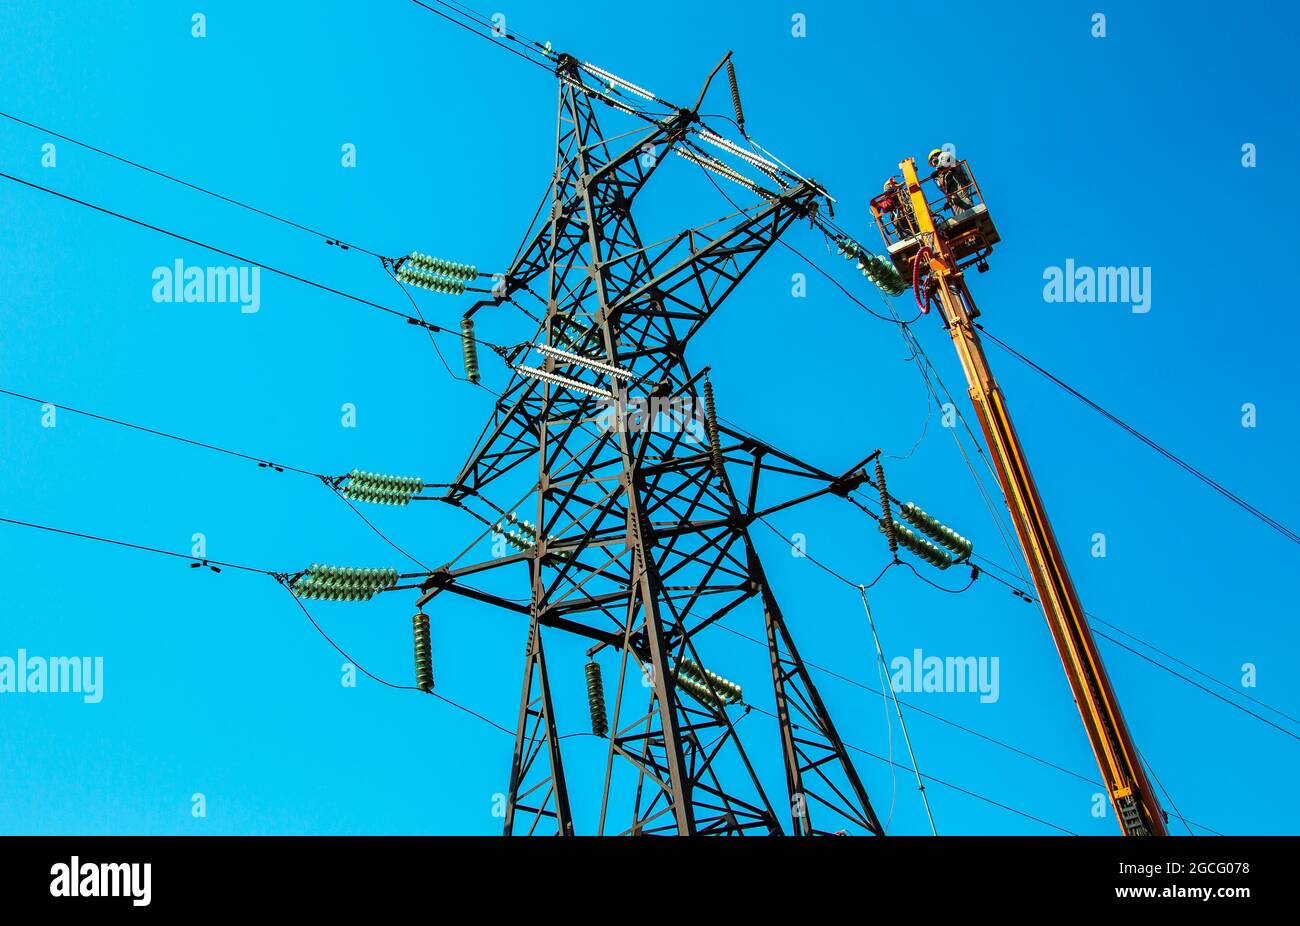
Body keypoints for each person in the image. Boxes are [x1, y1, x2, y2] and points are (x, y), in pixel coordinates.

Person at [928, 148, 974, 213]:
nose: (933, 163)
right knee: (961, 217)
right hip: (954, 200)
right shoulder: (939, 176)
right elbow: (946, 190)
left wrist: (938, 171)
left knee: (969, 212)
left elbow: (946, 161)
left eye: (934, 159)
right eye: (932, 162)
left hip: (961, 192)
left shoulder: (946, 156)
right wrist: (948, 201)